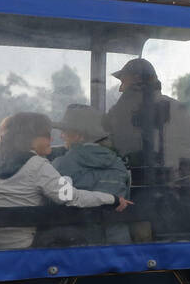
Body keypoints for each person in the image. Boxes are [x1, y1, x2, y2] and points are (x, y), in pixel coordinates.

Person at [0, 111, 131, 251]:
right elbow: (73, 198)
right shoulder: (37, 166)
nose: (52, 140)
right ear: (29, 138)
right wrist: (113, 199)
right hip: (25, 247)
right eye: (47, 135)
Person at [103, 57, 190, 237]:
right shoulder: (178, 108)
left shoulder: (122, 111)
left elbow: (109, 147)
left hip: (141, 196)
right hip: (185, 196)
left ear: (136, 78)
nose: (121, 88)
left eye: (123, 81)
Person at [48, 104, 132, 245]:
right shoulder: (119, 164)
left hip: (79, 247)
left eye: (65, 131)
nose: (62, 136)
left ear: (80, 136)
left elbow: (57, 204)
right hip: (119, 245)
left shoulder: (61, 165)